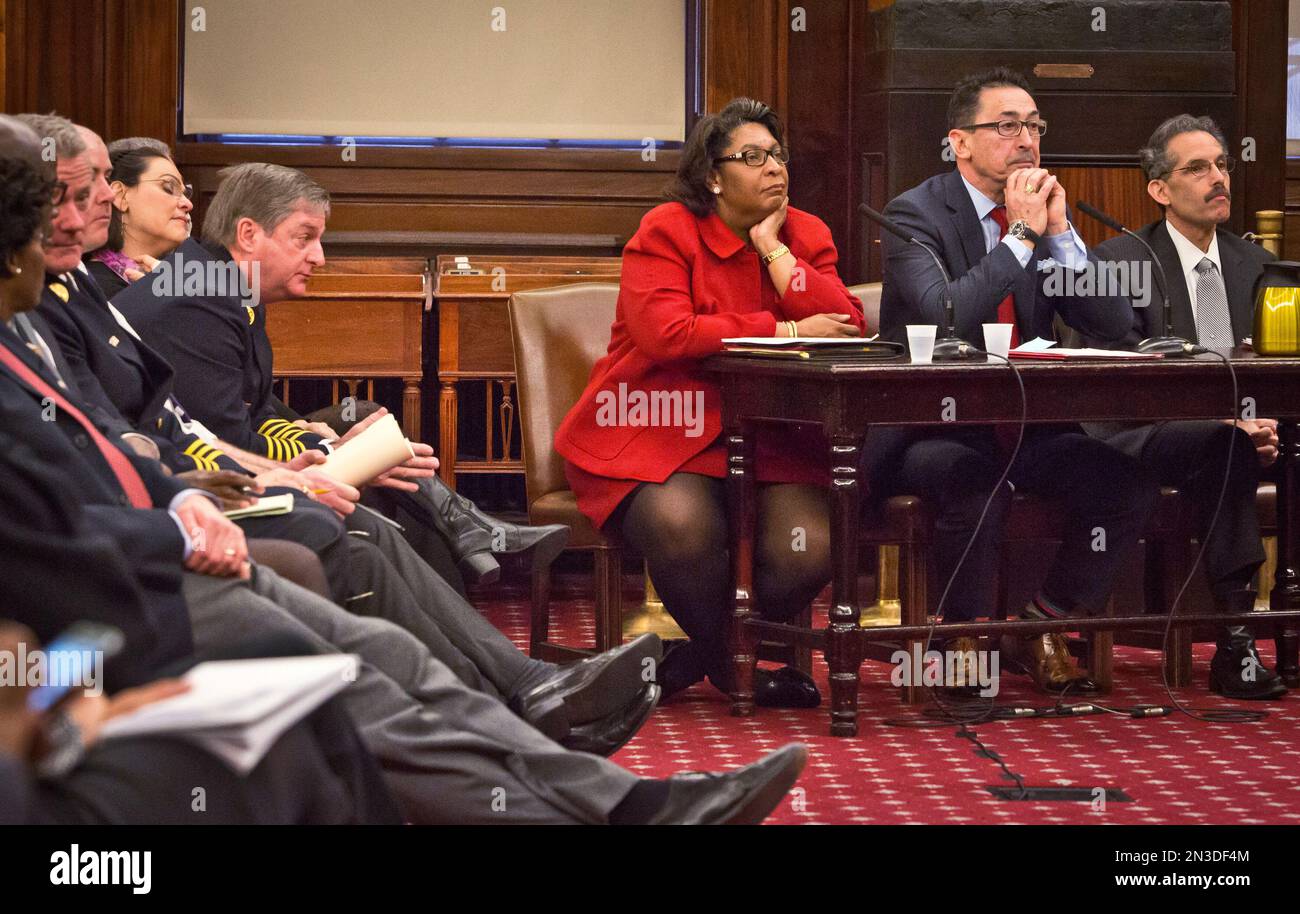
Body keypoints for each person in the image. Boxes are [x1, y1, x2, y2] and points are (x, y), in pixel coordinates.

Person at [0, 115, 809, 824]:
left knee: (378, 623)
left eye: (95, 191)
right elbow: (143, 455)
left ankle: (586, 762)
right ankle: (568, 744)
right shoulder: (179, 291)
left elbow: (152, 431)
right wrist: (208, 500)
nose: (89, 213)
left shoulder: (78, 303)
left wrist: (244, 475)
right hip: (120, 587)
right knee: (353, 579)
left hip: (157, 545)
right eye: (65, 201)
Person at [104, 156, 565, 589]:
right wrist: (330, 448)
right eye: (304, 238)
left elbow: (257, 403)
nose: (319, 257)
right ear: (247, 233)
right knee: (375, 479)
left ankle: (469, 536)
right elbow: (229, 437)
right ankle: (469, 548)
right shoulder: (198, 300)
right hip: (189, 483)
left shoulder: (222, 285)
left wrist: (325, 440)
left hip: (216, 460)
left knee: (374, 439)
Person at [557, 97, 867, 705]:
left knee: (815, 546)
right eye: (751, 157)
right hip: (660, 421)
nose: (773, 167)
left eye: (777, 154)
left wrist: (776, 251)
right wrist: (785, 331)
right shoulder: (667, 229)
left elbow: (849, 324)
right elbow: (667, 334)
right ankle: (733, 664)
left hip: (774, 430)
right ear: (712, 177)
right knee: (682, 527)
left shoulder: (806, 233)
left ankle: (703, 656)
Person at [874, 67, 1158, 693]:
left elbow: (1113, 323)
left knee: (1124, 482)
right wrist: (1023, 235)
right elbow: (944, 311)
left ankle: (1040, 624)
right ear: (960, 142)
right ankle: (963, 644)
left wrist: (1060, 236)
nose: (1025, 140)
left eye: (1034, 126)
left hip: (1027, 424)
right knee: (976, 485)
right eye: (1006, 126)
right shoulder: (914, 213)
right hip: (936, 425)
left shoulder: (1040, 218)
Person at [1083, 114, 1285, 699]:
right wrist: (1226, 424)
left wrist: (1264, 422)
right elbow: (1116, 383)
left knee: (1233, 447)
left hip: (1242, 436)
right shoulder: (1120, 261)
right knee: (1225, 444)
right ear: (1159, 190)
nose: (1217, 178)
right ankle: (1236, 639)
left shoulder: (1255, 266)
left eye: (1221, 165)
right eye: (1196, 168)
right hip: (1140, 438)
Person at [83, 136, 189, 300]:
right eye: (169, 187)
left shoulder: (175, 279)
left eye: (185, 193)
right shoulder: (93, 290)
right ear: (120, 196)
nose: (188, 204)